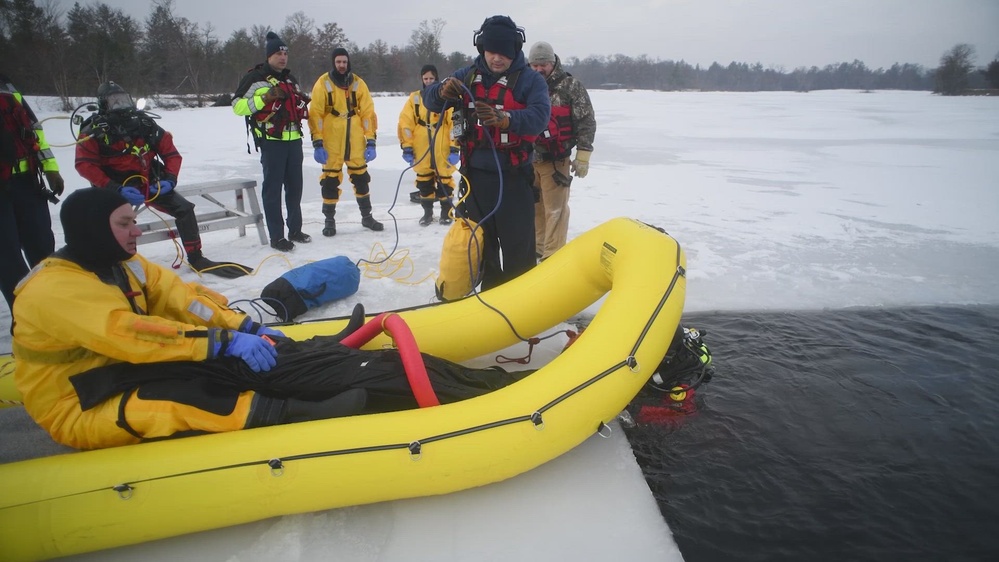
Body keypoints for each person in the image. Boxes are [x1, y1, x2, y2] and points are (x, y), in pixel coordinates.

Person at [11, 188, 527, 450]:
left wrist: (243, 329)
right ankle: (290, 416)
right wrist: (217, 346)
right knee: (182, 398)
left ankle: (316, 371)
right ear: (94, 230)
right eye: (124, 224)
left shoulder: (122, 264)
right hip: (81, 401)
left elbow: (183, 299)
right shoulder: (55, 289)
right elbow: (131, 336)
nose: (135, 232)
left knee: (252, 360)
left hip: (131, 367)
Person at [423, 15, 550, 291]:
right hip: (475, 180)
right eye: (492, 52)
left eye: (505, 53)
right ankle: (491, 301)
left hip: (514, 180)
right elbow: (428, 99)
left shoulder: (530, 81)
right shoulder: (466, 75)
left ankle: (522, 306)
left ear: (515, 49)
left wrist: (506, 119)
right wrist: (441, 91)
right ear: (482, 48)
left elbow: (540, 117)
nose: (497, 58)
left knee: (519, 251)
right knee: (484, 248)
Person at [76, 81, 248, 279]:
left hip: (149, 183)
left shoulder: (145, 125)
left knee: (185, 209)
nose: (120, 105)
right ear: (103, 104)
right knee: (108, 222)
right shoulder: (95, 131)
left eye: (123, 100)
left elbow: (171, 154)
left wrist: (170, 179)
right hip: (114, 188)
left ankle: (196, 257)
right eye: (114, 101)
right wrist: (114, 188)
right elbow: (84, 165)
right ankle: (111, 263)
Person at [232, 31, 312, 252]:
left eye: (285, 53)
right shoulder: (255, 78)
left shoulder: (289, 78)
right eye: (278, 53)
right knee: (273, 189)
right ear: (269, 56)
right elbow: (237, 106)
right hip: (272, 141)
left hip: (294, 139)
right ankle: (277, 236)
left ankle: (295, 230)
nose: (283, 57)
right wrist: (264, 97)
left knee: (295, 188)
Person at [1, 73, 64, 318]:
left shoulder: (7, 86)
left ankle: (55, 311)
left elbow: (33, 131)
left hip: (27, 182)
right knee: (8, 256)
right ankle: (26, 320)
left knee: (43, 248)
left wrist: (51, 169)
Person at [528, 41, 596, 261]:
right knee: (535, 207)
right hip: (528, 160)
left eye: (544, 64)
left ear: (553, 62)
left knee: (555, 211)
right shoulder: (524, 85)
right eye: (535, 65)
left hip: (556, 161)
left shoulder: (570, 86)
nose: (539, 69)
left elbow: (586, 121)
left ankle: (553, 256)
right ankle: (538, 248)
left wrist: (583, 156)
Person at [308, 47, 384, 236]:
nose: (342, 65)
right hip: (331, 138)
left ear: (348, 62)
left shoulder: (358, 83)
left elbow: (367, 113)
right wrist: (317, 142)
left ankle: (367, 217)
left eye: (344, 62)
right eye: (338, 62)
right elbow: (315, 113)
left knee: (361, 178)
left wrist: (371, 140)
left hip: (355, 137)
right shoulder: (323, 83)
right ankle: (329, 221)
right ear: (333, 63)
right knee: (330, 181)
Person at [397, 64, 460, 226]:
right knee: (424, 181)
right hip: (421, 142)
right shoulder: (415, 98)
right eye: (426, 79)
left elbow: (454, 123)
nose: (429, 81)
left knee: (445, 181)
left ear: (437, 79)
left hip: (442, 142)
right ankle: (427, 213)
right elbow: (406, 123)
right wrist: (407, 147)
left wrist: (455, 147)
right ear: (422, 80)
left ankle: (446, 213)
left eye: (432, 78)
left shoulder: (446, 98)